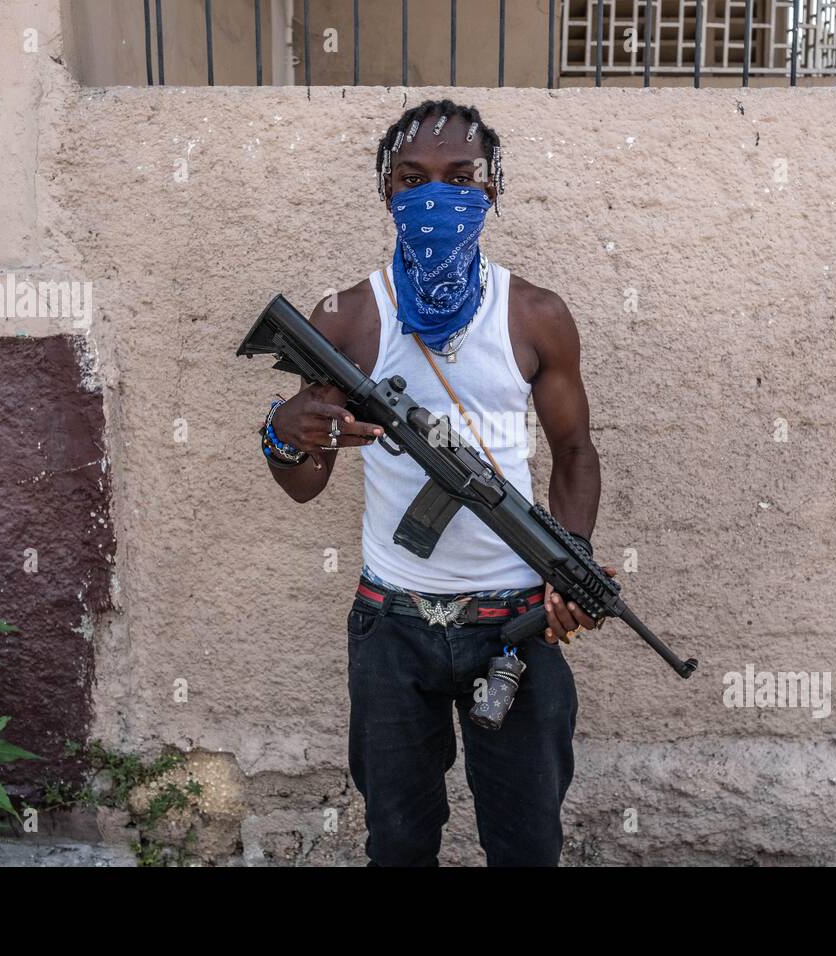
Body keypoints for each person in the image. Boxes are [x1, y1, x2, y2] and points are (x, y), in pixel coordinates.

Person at [261, 98, 613, 866]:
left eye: (460, 177)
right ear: (386, 192)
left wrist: (570, 564)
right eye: (413, 180)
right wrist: (283, 436)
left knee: (526, 843)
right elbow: (305, 483)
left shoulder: (536, 315)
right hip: (392, 625)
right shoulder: (349, 317)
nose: (436, 198)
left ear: (492, 188)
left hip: (516, 621)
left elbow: (575, 451)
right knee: (397, 841)